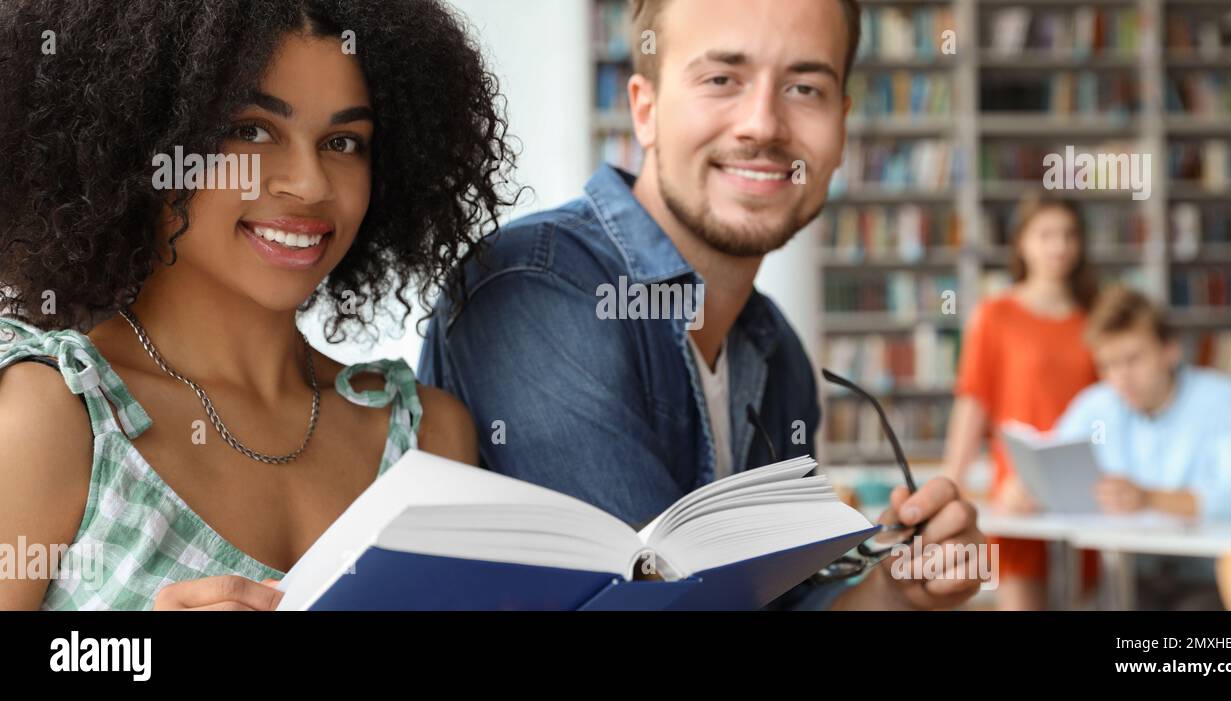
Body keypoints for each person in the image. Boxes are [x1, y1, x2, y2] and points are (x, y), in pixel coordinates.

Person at [421, 0, 984, 611]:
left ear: (841, 126)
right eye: (721, 79)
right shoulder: (535, 289)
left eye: (805, 87)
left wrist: (894, 591)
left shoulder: (777, 349)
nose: (762, 125)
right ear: (645, 109)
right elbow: (660, 602)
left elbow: (775, 601)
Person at [0, 0, 512, 610]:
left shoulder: (428, 438)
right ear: (141, 142)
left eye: (343, 141)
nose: (311, 183)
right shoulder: (50, 418)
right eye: (251, 130)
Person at [941, 196, 1100, 610]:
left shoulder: (1095, 318)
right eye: (1045, 235)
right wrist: (951, 484)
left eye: (1069, 235)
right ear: (1022, 243)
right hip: (1018, 491)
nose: (1059, 246)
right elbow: (973, 401)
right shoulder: (996, 315)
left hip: (1083, 490)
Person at [1054, 286, 1231, 520]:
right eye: (1107, 364)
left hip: (1209, 554)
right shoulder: (1095, 405)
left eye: (1133, 359)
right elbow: (1054, 467)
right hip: (1124, 553)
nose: (1120, 377)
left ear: (1170, 351)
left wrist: (1149, 499)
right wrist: (1028, 492)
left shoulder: (1225, 399)